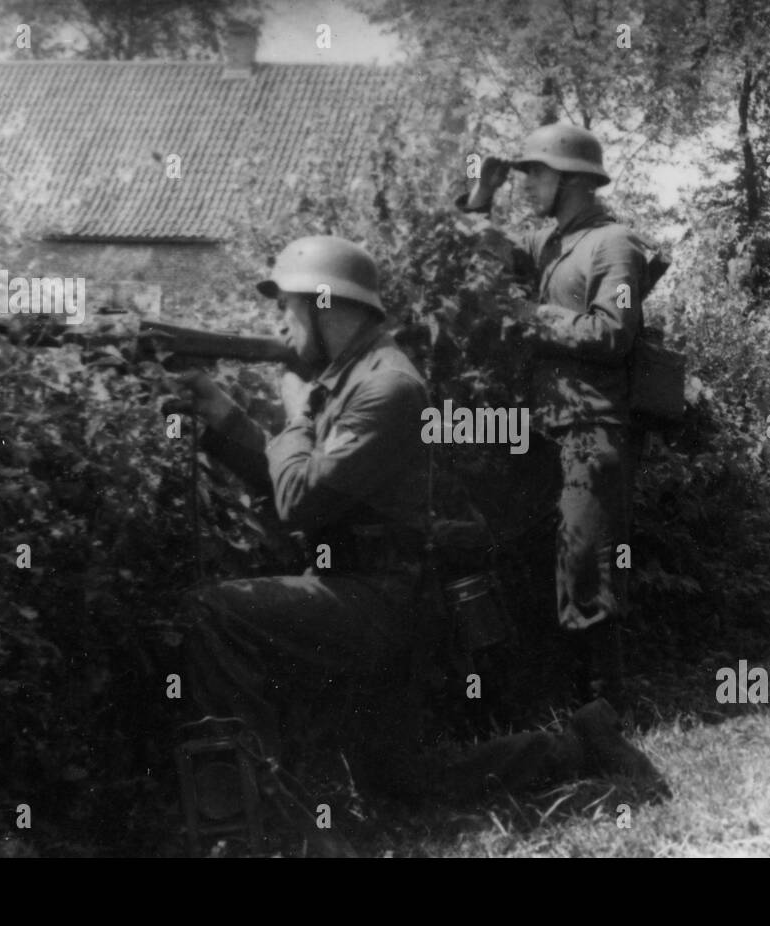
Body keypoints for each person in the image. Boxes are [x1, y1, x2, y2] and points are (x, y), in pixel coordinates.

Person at [174, 235, 667, 844]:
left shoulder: (388, 387)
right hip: (368, 594)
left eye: (286, 307)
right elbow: (295, 483)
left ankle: (259, 827)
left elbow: (299, 500)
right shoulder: (351, 377)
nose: (278, 322)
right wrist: (220, 415)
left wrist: (295, 414)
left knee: (211, 613)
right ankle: (578, 743)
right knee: (405, 778)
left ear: (325, 306)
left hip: (386, 601)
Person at [456, 122, 650, 708]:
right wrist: (480, 198)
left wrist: (534, 315)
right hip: (544, 433)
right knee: (544, 565)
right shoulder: (549, 247)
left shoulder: (614, 244)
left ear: (570, 179)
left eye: (535, 173)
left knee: (585, 569)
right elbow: (485, 263)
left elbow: (613, 331)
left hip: (591, 431)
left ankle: (603, 713)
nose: (529, 185)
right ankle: (562, 706)